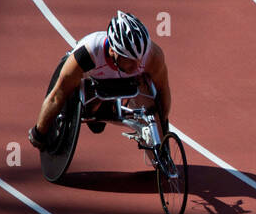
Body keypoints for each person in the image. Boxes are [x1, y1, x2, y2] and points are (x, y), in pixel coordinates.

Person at [28, 11, 172, 151]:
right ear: (112, 51)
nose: (136, 65)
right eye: (129, 60)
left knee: (158, 141)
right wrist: (39, 132)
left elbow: (162, 89)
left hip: (129, 82)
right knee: (87, 108)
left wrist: (162, 128)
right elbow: (56, 96)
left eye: (139, 59)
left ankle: (159, 159)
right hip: (92, 80)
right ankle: (96, 107)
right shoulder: (88, 54)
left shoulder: (152, 55)